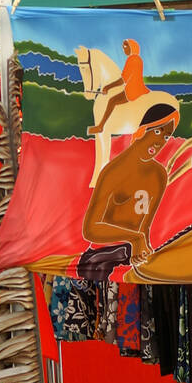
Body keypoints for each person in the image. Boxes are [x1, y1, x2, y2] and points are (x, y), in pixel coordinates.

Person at [80, 101, 179, 274]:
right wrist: (134, 238)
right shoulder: (114, 171)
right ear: (142, 130)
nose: (160, 141)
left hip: (132, 258)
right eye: (157, 131)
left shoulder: (159, 175)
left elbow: (144, 227)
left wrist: (142, 250)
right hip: (100, 259)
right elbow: (90, 229)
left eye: (166, 136)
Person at [88, 38, 150, 135]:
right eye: (123, 47)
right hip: (136, 88)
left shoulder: (132, 59)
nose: (124, 49)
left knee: (112, 101)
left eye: (126, 46)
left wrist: (107, 87)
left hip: (133, 90)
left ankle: (100, 127)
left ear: (132, 47)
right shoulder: (138, 59)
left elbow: (123, 79)